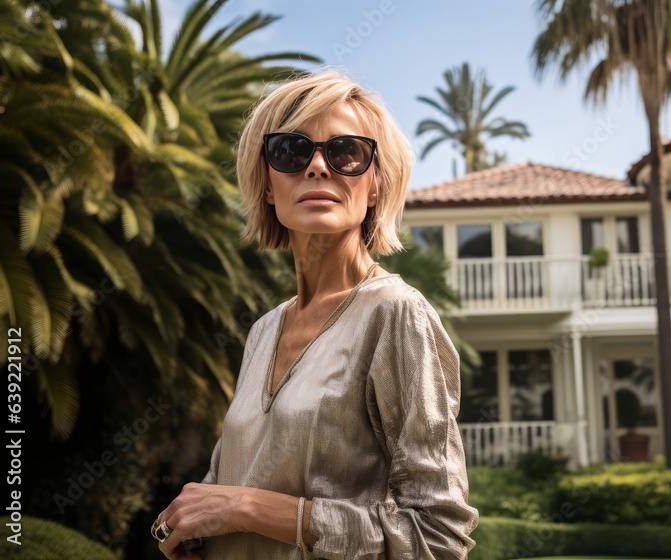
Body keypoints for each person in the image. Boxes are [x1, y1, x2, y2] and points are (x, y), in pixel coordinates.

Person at [150, 71, 479, 559]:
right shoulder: (263, 331)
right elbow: (228, 485)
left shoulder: (396, 314)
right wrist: (187, 527)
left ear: (375, 185)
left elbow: (437, 535)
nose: (319, 167)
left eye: (346, 152)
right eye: (290, 151)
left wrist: (247, 509)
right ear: (266, 184)